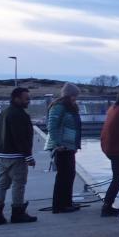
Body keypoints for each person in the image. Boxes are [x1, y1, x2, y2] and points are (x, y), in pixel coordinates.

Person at [0, 87, 37, 225]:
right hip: (16, 156)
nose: (28, 101)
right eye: (26, 98)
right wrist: (28, 157)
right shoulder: (19, 115)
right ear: (16, 98)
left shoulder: (3, 113)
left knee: (2, 184)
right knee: (19, 184)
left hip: (2, 155)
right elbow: (21, 138)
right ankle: (18, 213)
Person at [45, 83, 83, 213]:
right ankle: (59, 206)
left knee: (70, 174)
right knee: (63, 176)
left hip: (69, 147)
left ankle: (67, 202)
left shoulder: (70, 107)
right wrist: (58, 144)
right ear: (68, 95)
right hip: (61, 147)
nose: (75, 98)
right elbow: (52, 127)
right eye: (74, 96)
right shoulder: (58, 107)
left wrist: (75, 145)